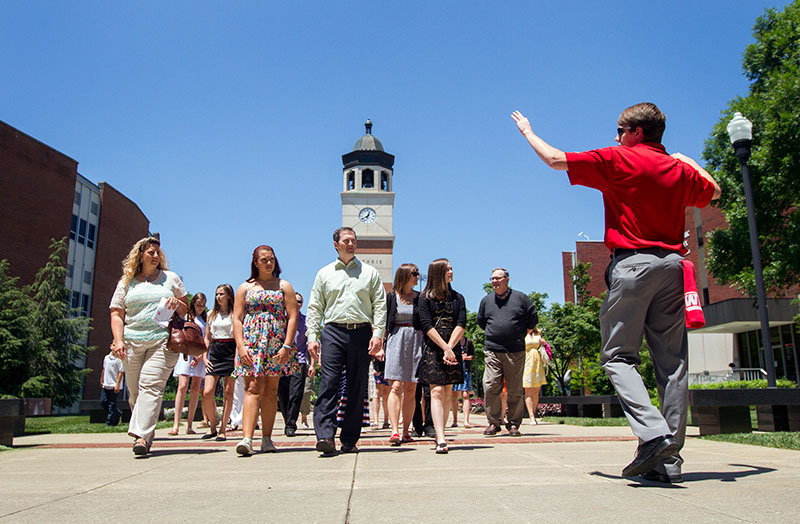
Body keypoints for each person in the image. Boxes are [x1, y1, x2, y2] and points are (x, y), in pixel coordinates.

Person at [511, 103, 720, 483]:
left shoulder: (619, 159)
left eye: (620, 130)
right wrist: (688, 160)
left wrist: (527, 131)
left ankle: (653, 433)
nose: (616, 136)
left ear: (637, 132)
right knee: (672, 366)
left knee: (618, 357)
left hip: (634, 266)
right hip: (673, 268)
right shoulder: (677, 168)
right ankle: (667, 461)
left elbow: (556, 159)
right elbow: (715, 191)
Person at [306, 227, 387, 456]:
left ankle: (350, 439)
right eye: (346, 240)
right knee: (329, 383)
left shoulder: (370, 273)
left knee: (356, 386)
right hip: (332, 332)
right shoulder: (324, 273)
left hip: (361, 333)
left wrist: (378, 334)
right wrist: (312, 337)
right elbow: (315, 307)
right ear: (336, 244)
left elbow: (380, 305)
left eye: (353, 240)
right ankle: (325, 436)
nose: (351, 243)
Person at [110, 236, 188, 456]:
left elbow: (185, 309)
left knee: (150, 385)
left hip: (162, 341)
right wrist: (118, 340)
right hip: (133, 341)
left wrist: (177, 304)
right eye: (150, 252)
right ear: (140, 255)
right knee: (135, 393)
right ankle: (145, 432)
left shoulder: (170, 279)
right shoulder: (126, 282)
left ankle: (141, 437)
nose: (155, 256)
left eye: (157, 253)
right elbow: (117, 313)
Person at [232, 245, 299, 456]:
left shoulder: (283, 286)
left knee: (271, 389)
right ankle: (247, 439)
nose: (268, 263)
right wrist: (241, 346)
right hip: (251, 344)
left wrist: (287, 346)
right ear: (255, 262)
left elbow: (293, 316)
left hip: (276, 343)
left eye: (271, 259)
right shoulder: (245, 288)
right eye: (264, 260)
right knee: (252, 387)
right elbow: (237, 318)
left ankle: (267, 439)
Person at [478, 268, 537, 437]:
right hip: (492, 350)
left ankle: (513, 424)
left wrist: (519, 333)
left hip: (515, 351)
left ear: (507, 279)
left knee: (515, 389)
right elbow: (481, 322)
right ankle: (493, 423)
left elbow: (533, 318)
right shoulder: (486, 301)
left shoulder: (521, 298)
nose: (494, 281)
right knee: (490, 386)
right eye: (492, 279)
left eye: (498, 278)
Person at [417, 258, 466, 454]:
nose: (452, 272)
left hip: (451, 347)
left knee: (447, 392)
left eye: (452, 269)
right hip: (433, 347)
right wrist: (445, 347)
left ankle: (441, 432)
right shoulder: (424, 298)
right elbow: (426, 325)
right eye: (448, 270)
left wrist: (451, 347)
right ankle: (441, 438)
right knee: (435, 391)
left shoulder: (458, 298)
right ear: (438, 273)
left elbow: (461, 323)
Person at [384, 263, 423, 445]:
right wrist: (380, 347)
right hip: (396, 340)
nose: (417, 276)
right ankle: (394, 430)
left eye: (417, 273)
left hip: (416, 341)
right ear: (405, 276)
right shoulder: (391, 297)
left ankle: (407, 430)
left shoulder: (421, 298)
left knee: (411, 388)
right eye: (414, 273)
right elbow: (383, 322)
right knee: (396, 386)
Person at [200, 284, 237, 441]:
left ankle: (223, 429)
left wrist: (237, 358)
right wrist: (204, 356)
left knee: (228, 392)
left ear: (228, 296)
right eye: (216, 294)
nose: (218, 297)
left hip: (230, 350)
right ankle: (213, 426)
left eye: (221, 294)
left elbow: (238, 337)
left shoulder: (235, 314)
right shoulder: (211, 314)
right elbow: (207, 337)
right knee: (208, 392)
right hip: (215, 351)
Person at [169, 293, 207, 436]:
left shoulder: (205, 319)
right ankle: (176, 424)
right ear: (193, 304)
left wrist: (199, 356)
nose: (201, 308)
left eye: (203, 305)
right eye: (198, 305)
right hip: (185, 354)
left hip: (199, 355)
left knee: (196, 389)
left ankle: (190, 425)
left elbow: (206, 339)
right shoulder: (186, 317)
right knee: (182, 386)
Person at [277, 292, 310, 437]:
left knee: (296, 394)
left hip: (300, 361)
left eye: (300, 302)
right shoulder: (281, 321)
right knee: (283, 394)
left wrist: (314, 362)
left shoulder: (305, 321)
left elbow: (310, 343)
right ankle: (287, 421)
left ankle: (291, 424)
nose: (297, 304)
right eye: (294, 301)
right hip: (282, 362)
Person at [523, 328, 548, 425]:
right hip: (527, 362)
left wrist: (543, 343)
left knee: (536, 390)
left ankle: (533, 413)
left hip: (537, 362)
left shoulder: (538, 333)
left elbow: (544, 347)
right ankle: (531, 416)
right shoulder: (522, 333)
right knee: (528, 389)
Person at [450, 337, 475, 428]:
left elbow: (473, 355)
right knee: (454, 396)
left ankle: (466, 421)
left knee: (465, 395)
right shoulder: (452, 341)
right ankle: (455, 420)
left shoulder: (468, 342)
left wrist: (467, 357)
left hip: (465, 370)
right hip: (454, 370)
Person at [99, 348, 125, 426]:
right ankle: (116, 413)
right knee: (103, 402)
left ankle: (109, 422)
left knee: (112, 404)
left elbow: (121, 372)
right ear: (110, 347)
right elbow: (104, 369)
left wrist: (117, 384)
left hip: (114, 385)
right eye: (113, 345)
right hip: (106, 384)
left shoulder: (119, 359)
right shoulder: (107, 358)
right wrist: (101, 379)